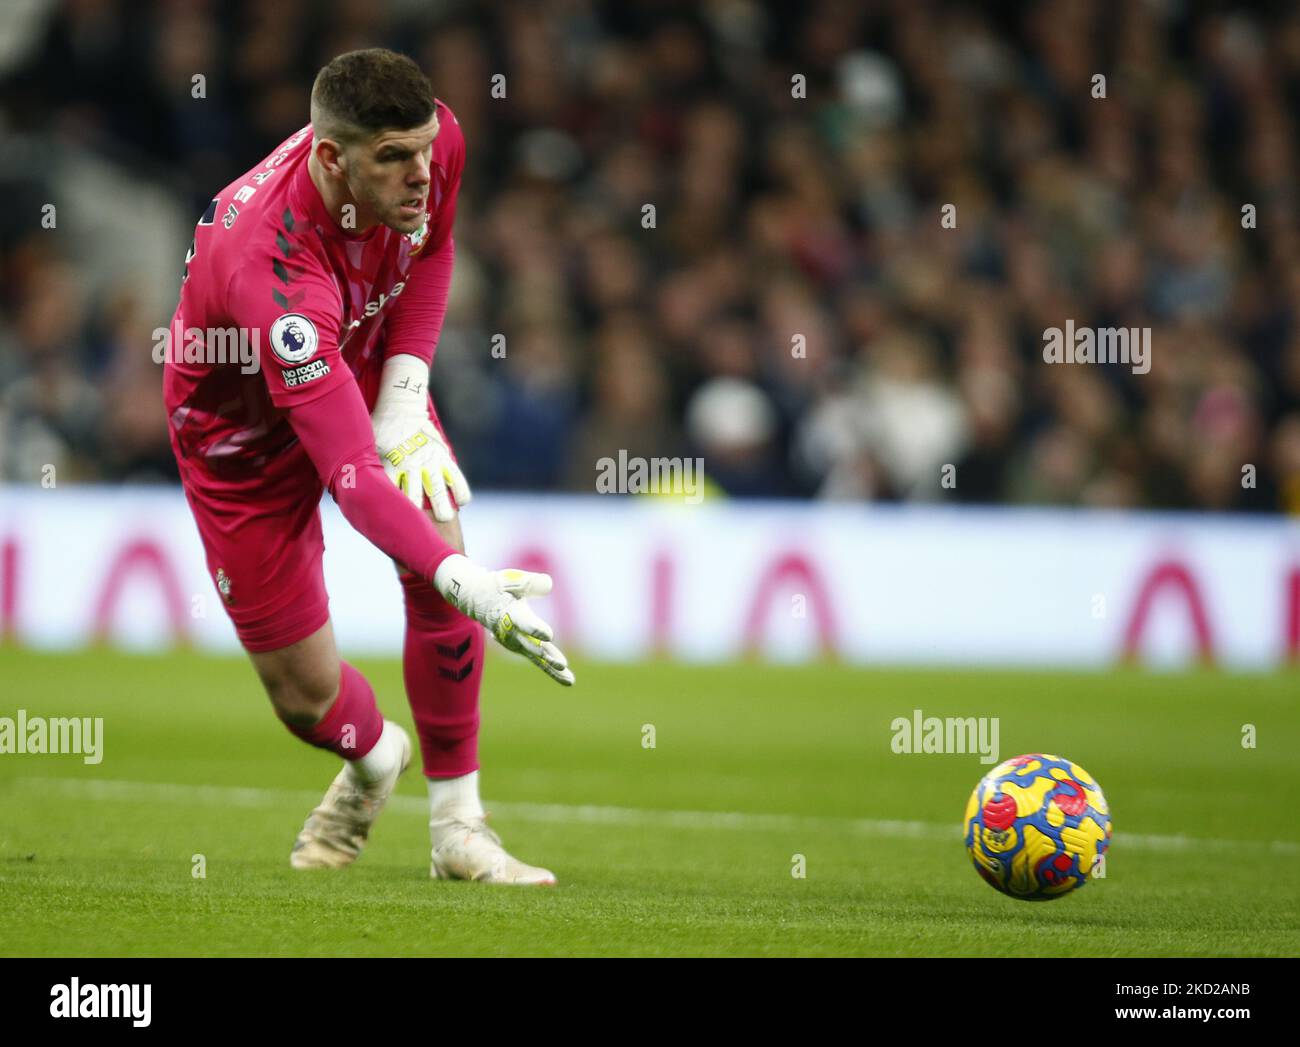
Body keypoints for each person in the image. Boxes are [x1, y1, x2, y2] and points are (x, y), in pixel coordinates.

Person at [163, 48, 573, 885]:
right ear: (331, 158)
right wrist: (466, 578)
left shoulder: (432, 141)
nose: (421, 171)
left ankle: (459, 828)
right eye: (393, 158)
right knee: (306, 700)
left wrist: (406, 388)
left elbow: (433, 247)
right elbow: (352, 477)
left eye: (423, 150)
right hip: (240, 443)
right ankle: (377, 755)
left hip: (359, 363)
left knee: (434, 551)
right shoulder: (270, 271)